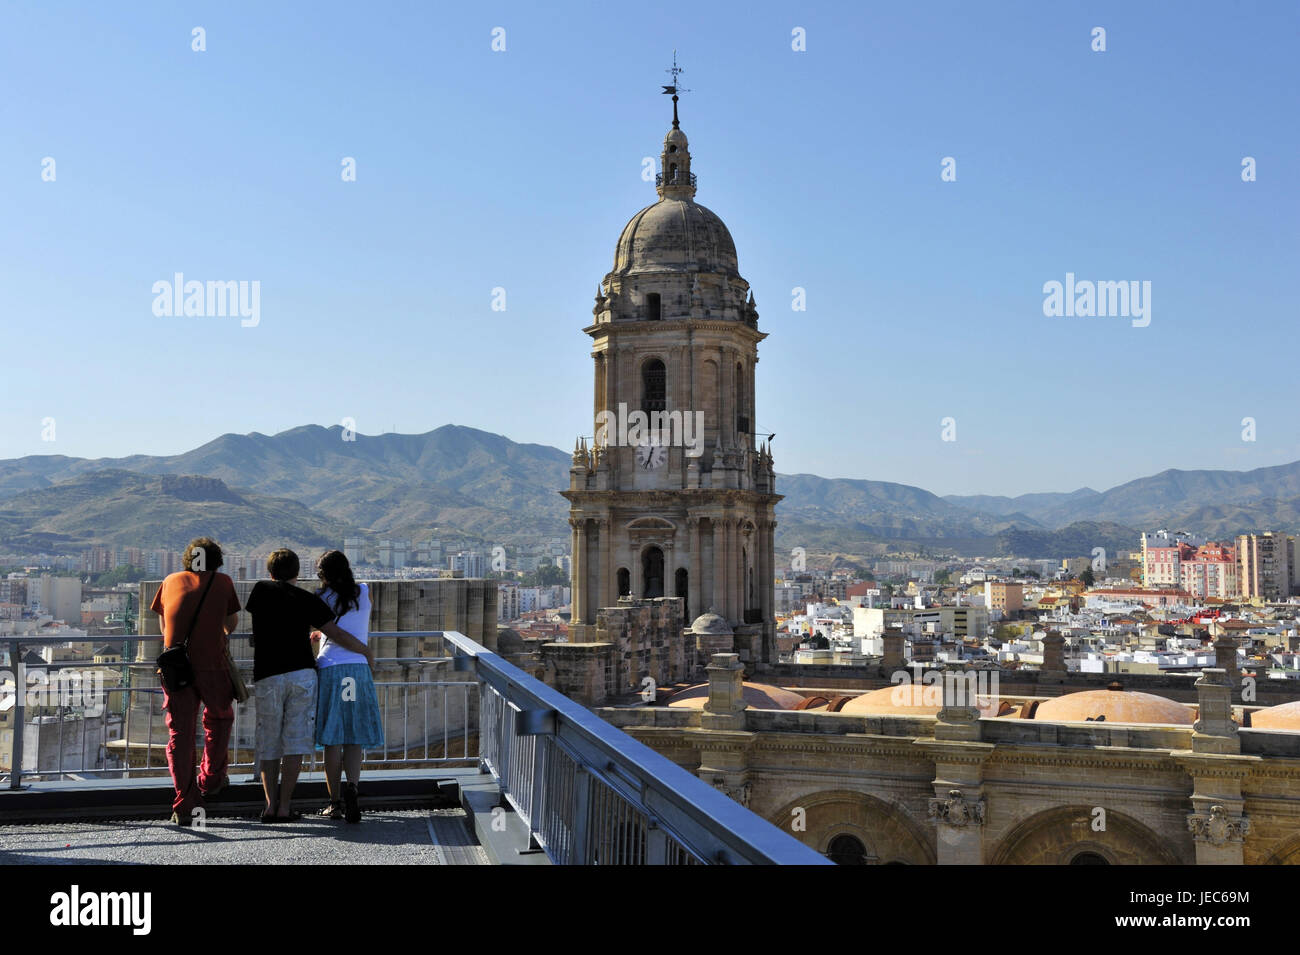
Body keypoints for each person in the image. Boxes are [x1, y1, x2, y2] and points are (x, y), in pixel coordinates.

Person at [245, 548, 372, 822]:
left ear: (270, 572)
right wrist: (366, 651)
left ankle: (277, 806)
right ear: (297, 573)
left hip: (280, 673)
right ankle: (296, 804)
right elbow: (337, 632)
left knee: (279, 741)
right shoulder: (336, 595)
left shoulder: (264, 591)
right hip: (323, 672)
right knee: (304, 742)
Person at [150, 537, 242, 826]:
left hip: (176, 668)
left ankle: (185, 802)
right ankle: (211, 778)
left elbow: (164, 625)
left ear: (188, 559)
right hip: (212, 666)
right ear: (217, 560)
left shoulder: (169, 580)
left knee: (181, 734)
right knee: (220, 718)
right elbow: (231, 624)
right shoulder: (224, 582)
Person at [312, 550, 382, 823]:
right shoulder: (365, 591)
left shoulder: (320, 599)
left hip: (331, 668)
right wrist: (365, 651)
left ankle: (334, 802)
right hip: (357, 670)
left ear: (324, 575)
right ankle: (353, 787)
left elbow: (336, 632)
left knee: (333, 738)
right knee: (354, 736)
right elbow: (355, 625)